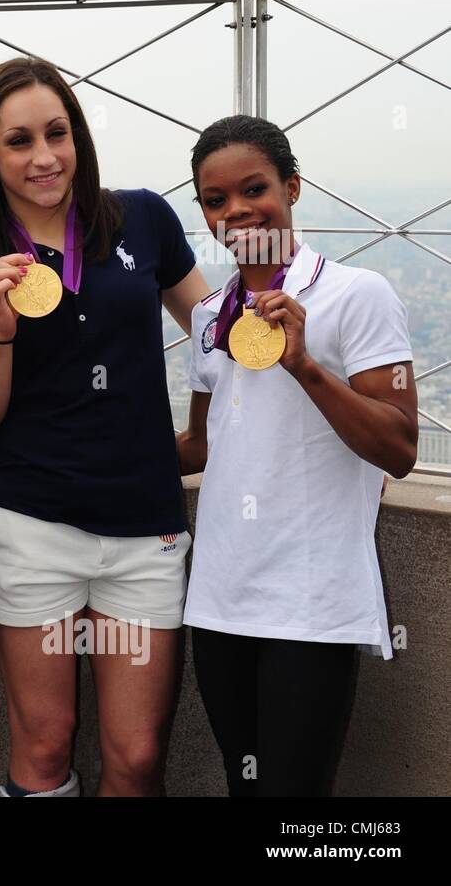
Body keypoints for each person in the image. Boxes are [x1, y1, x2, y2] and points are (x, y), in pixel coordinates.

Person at [0, 57, 211, 797]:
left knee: (135, 757)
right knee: (45, 745)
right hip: (33, 528)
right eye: (19, 141)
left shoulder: (142, 219)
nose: (43, 157)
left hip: (145, 530)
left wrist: (203, 434)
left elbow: (219, 338)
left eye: (56, 134)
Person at [177, 114, 418, 796]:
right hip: (220, 596)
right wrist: (84, 454)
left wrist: (306, 365)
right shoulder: (210, 316)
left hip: (310, 600)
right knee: (244, 782)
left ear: (292, 186)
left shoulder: (356, 295)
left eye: (254, 188)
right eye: (215, 200)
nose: (237, 210)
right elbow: (202, 445)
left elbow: (399, 446)